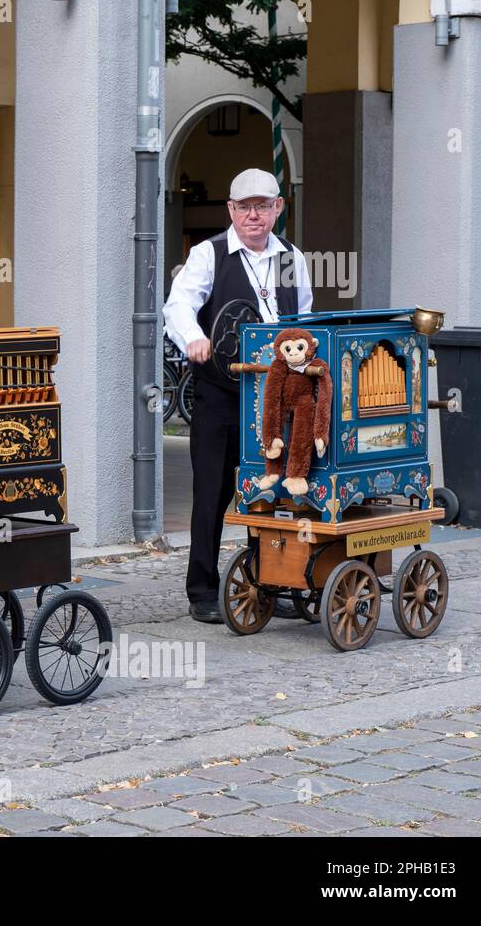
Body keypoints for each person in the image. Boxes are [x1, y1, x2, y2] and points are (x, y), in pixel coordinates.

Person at [163, 168, 313, 624]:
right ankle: (203, 589)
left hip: (278, 396)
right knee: (212, 492)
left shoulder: (292, 257)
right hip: (221, 393)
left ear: (277, 209)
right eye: (244, 207)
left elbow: (304, 315)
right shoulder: (209, 254)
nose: (253, 215)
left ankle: (275, 581)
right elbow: (178, 304)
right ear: (231, 210)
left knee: (278, 493)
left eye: (262, 206)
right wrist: (192, 336)